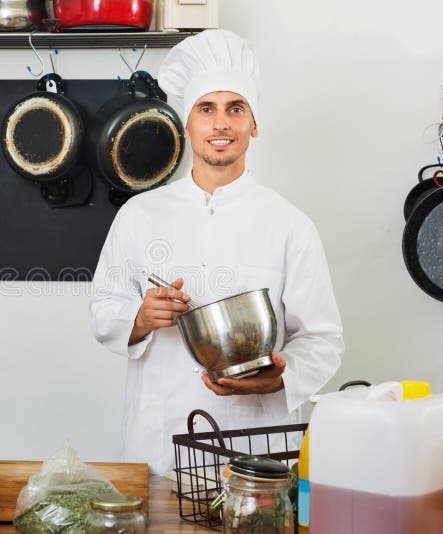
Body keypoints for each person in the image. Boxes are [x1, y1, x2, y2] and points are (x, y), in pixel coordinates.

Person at [89, 29, 344, 475]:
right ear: (187, 125)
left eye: (235, 109)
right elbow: (103, 309)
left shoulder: (290, 225)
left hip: (256, 448)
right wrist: (141, 318)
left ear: (254, 125)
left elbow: (322, 338)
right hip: (159, 444)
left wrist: (279, 376)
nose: (221, 123)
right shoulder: (139, 215)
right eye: (206, 109)